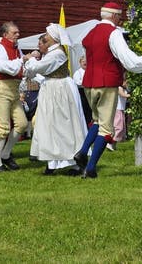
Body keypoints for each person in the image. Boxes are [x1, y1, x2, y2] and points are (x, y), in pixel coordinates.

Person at [75, 2, 142, 179]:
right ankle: (91, 168)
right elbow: (126, 57)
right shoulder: (113, 33)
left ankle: (83, 151)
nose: (120, 19)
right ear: (113, 16)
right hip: (106, 82)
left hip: (89, 83)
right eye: (119, 16)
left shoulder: (91, 32)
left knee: (97, 120)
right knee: (106, 129)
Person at [24, 24, 87, 175]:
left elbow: (38, 67)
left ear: (54, 37)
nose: (45, 36)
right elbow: (37, 71)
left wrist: (30, 59)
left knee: (63, 125)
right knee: (49, 125)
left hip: (59, 90)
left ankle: (74, 161)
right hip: (51, 89)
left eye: (47, 34)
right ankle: (51, 162)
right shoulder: (52, 52)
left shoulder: (57, 53)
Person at [0, 22, 33, 172]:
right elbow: (4, 67)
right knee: (3, 128)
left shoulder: (16, 48)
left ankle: (5, 154)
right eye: (14, 33)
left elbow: (21, 69)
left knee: (22, 123)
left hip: (13, 88)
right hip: (1, 87)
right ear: (5, 34)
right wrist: (22, 60)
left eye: (18, 32)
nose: (18, 35)